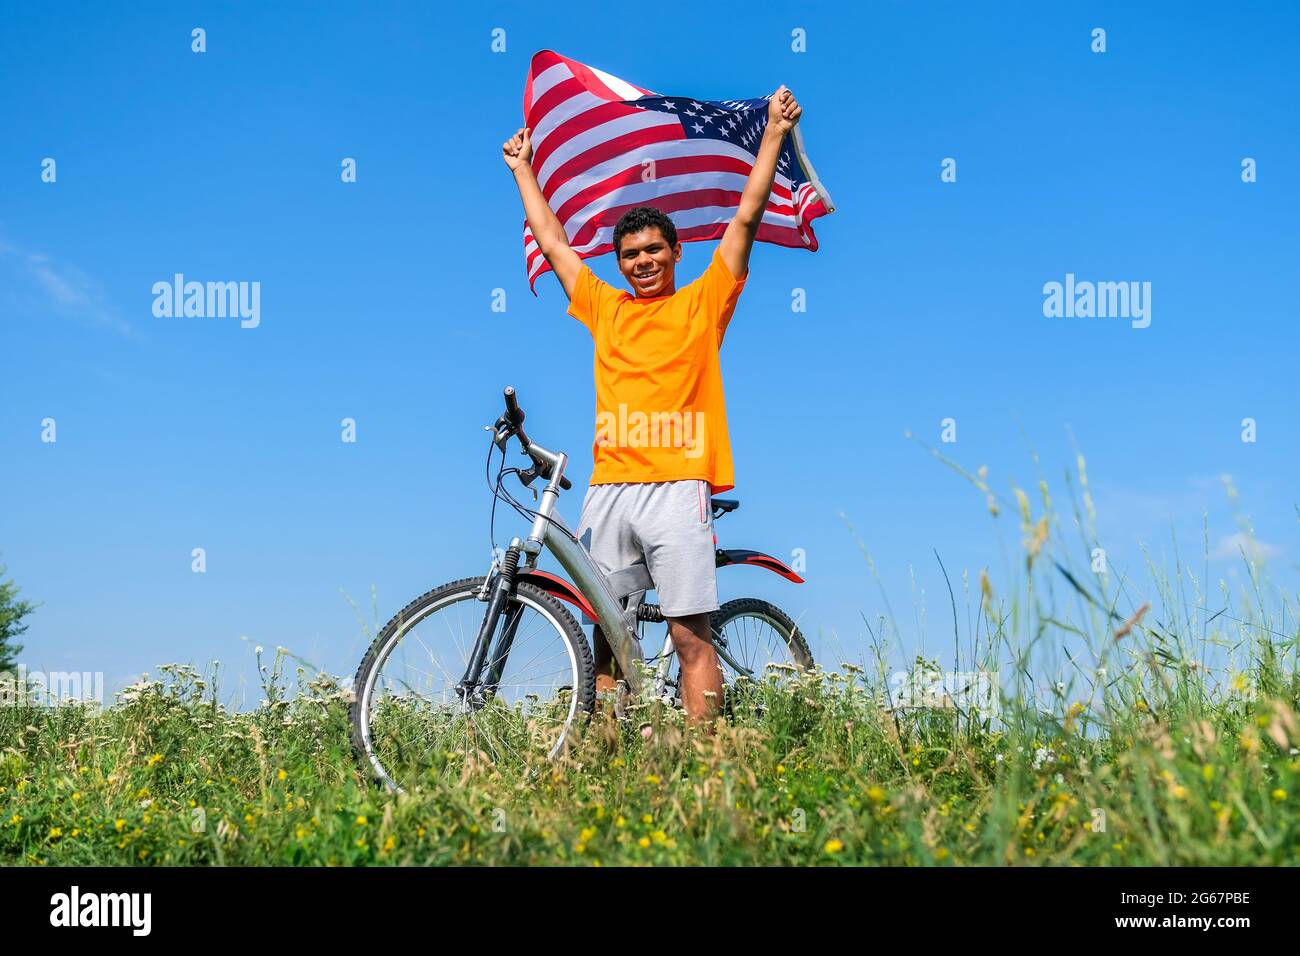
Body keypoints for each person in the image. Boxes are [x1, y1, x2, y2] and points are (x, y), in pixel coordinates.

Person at [501, 87, 803, 720]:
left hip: (676, 489)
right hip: (611, 489)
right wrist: (524, 169)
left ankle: (707, 773)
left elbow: (745, 218)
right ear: (619, 263)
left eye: (652, 251)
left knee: (689, 636)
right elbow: (555, 243)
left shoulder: (703, 303)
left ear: (675, 254)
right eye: (630, 255)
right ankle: (611, 764)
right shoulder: (604, 309)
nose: (641, 262)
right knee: (608, 643)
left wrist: (773, 133)